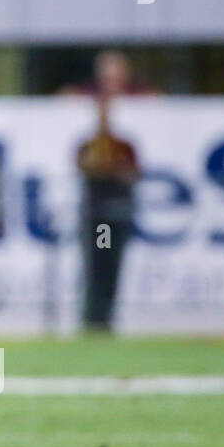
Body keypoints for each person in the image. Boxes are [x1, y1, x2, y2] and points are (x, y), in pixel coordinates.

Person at [76, 95, 140, 331]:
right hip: (96, 218)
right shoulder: (88, 146)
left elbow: (134, 174)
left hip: (115, 216)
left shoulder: (122, 146)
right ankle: (92, 317)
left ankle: (106, 317)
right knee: (94, 266)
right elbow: (84, 170)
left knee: (112, 267)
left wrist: (112, 169)